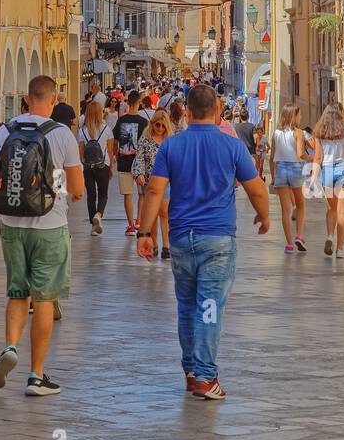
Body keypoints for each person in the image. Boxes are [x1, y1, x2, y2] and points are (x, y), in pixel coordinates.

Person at [137, 84, 269, 401]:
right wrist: (264, 217)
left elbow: (154, 191)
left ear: (188, 111)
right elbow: (257, 189)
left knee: (186, 306)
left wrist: (144, 234)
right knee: (209, 306)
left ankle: (191, 372)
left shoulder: (172, 146)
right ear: (217, 109)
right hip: (218, 238)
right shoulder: (232, 147)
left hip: (181, 237)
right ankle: (206, 376)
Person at [0, 75, 84, 397]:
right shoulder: (62, 135)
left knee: (17, 291)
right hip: (50, 225)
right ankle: (36, 376)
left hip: (12, 223)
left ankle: (10, 346)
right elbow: (78, 189)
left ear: (26, 99)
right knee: (43, 298)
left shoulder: (5, 130)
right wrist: (58, 188)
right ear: (54, 100)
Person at [310, 101, 344, 259]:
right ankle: (340, 250)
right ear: (340, 113)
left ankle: (329, 237)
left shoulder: (320, 132)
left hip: (328, 171)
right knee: (343, 212)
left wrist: (313, 178)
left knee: (331, 210)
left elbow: (317, 158)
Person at [269, 106, 309, 254]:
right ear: (294, 116)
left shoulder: (276, 133)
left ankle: (289, 244)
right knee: (300, 205)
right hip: (295, 169)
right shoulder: (298, 133)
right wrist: (314, 158)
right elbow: (301, 153)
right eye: (299, 114)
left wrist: (273, 177)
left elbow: (272, 158)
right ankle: (299, 235)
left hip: (280, 170)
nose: (301, 117)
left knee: (285, 211)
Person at [133, 108, 173, 257]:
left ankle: (166, 246)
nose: (160, 129)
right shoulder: (145, 140)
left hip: (166, 182)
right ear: (152, 124)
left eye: (163, 126)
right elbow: (139, 159)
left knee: (164, 212)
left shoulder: (170, 141)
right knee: (153, 214)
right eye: (158, 125)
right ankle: (155, 244)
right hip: (148, 183)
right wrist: (139, 174)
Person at [111, 91, 150, 236]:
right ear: (139, 103)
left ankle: (131, 226)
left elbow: (115, 141)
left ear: (128, 103)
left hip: (124, 161)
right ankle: (139, 220)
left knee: (128, 194)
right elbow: (146, 143)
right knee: (142, 194)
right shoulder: (143, 122)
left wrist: (115, 156)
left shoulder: (121, 121)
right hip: (140, 163)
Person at [78, 98, 113, 236]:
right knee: (103, 194)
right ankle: (99, 214)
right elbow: (110, 150)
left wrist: (83, 164)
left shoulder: (83, 130)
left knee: (91, 195)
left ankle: (93, 227)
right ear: (100, 113)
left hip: (88, 166)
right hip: (103, 165)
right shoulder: (107, 129)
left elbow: (81, 150)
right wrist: (110, 167)